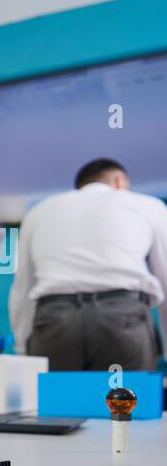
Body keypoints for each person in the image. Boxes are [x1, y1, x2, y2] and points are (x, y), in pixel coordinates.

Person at [9, 158, 167, 371]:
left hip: (55, 320)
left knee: (57, 402)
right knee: (126, 401)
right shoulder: (148, 205)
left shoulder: (39, 211)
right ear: (119, 182)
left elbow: (23, 288)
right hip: (122, 318)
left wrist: (22, 351)